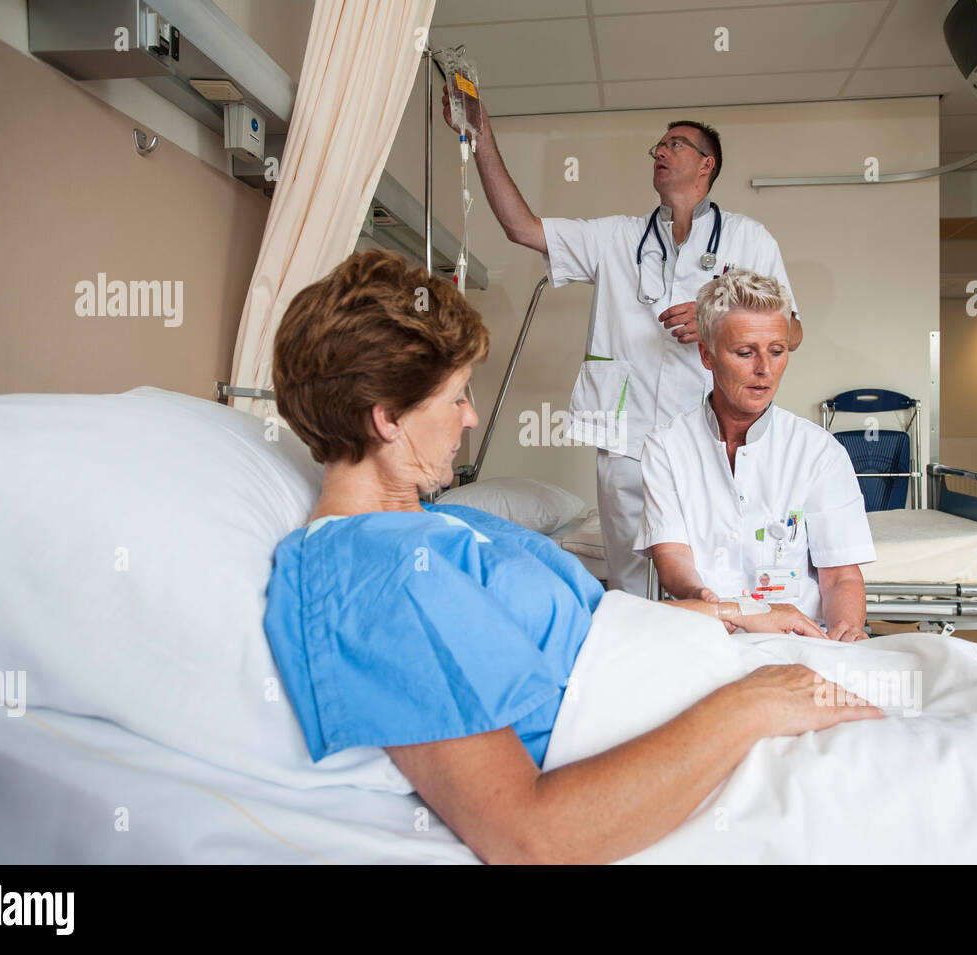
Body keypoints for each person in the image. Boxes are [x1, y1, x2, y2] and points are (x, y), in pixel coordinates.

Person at [262, 249, 880, 865]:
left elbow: (598, 624)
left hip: (715, 673)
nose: (471, 416)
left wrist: (738, 618)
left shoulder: (444, 522)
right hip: (697, 728)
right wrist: (752, 705)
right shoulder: (376, 578)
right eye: (455, 399)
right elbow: (532, 837)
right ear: (387, 419)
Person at [443, 91, 802, 597]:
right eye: (656, 145)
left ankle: (712, 667)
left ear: (707, 164)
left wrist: (718, 323)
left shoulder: (748, 238)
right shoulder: (616, 238)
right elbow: (520, 227)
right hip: (625, 437)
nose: (660, 151)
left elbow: (792, 330)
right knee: (631, 583)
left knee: (708, 580)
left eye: (674, 144)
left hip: (709, 435)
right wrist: (478, 133)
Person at [634, 269, 875, 643]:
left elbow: (840, 575)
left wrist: (847, 631)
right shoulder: (666, 446)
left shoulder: (818, 452)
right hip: (707, 636)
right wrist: (708, 604)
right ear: (707, 355)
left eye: (776, 351)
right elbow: (672, 558)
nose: (764, 369)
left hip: (800, 645)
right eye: (745, 353)